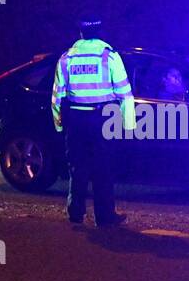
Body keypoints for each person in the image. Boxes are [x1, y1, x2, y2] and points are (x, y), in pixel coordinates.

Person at [51, 15, 135, 226]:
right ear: (99, 32)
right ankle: (104, 217)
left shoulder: (67, 58)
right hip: (102, 119)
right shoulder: (109, 56)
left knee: (77, 167)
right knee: (103, 168)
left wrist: (58, 123)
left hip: (76, 120)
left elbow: (57, 96)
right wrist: (128, 125)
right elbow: (125, 93)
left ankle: (75, 213)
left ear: (80, 33)